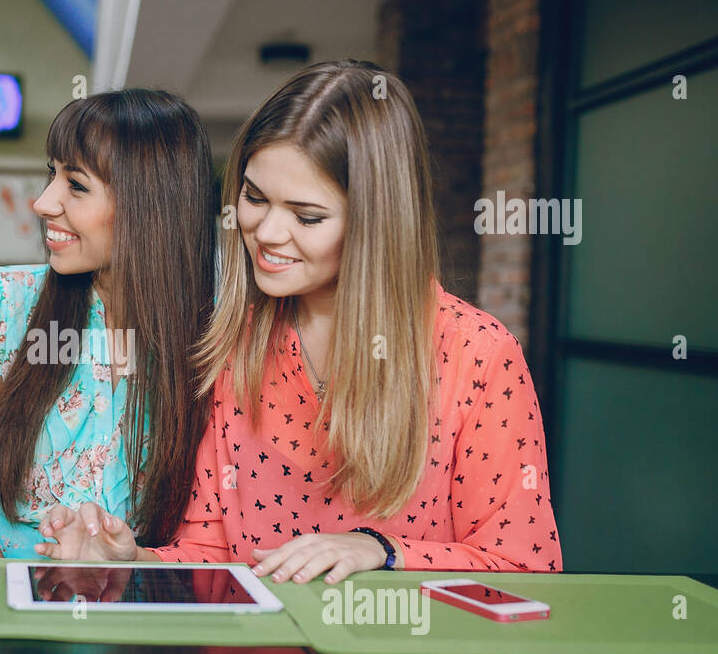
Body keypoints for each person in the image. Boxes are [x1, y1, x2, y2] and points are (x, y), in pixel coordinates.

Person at [36, 60, 563, 582]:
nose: (266, 232)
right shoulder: (233, 342)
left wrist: (380, 550)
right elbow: (209, 554)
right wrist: (132, 562)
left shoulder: (478, 355)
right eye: (254, 198)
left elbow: (524, 566)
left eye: (306, 216)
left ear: (376, 223)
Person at [0, 89, 217, 557]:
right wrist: (10, 618)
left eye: (77, 185)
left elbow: (209, 540)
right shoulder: (2, 302)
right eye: (52, 174)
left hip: (128, 607)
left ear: (149, 208)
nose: (43, 203)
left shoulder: (211, 340)